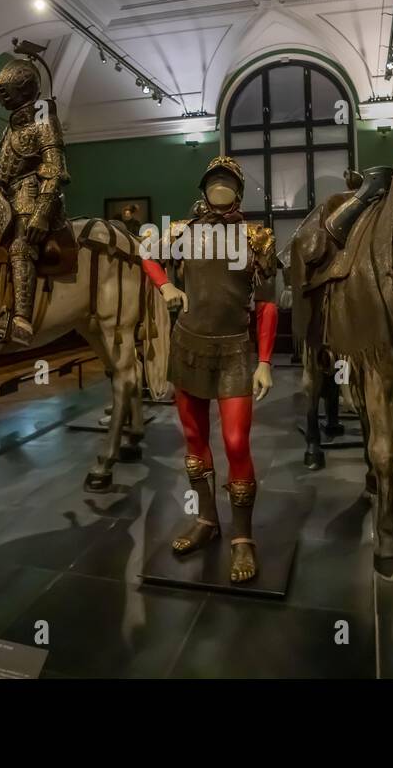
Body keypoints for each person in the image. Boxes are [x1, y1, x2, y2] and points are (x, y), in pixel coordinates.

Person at [139, 156, 278, 583]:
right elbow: (147, 255)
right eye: (213, 183)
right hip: (189, 346)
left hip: (235, 350)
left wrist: (266, 362)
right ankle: (206, 520)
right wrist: (165, 285)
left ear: (237, 189)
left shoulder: (257, 237)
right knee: (195, 438)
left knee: (236, 442)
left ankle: (242, 538)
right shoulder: (181, 232)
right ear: (204, 188)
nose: (219, 189)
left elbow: (268, 302)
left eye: (226, 183)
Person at [0, 55, 69, 346]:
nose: (2, 96)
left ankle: (22, 321)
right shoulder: (11, 127)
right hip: (6, 195)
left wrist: (41, 213)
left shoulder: (43, 118)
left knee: (20, 246)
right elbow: (8, 166)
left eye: (7, 90)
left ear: (24, 88)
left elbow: (54, 170)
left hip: (32, 196)